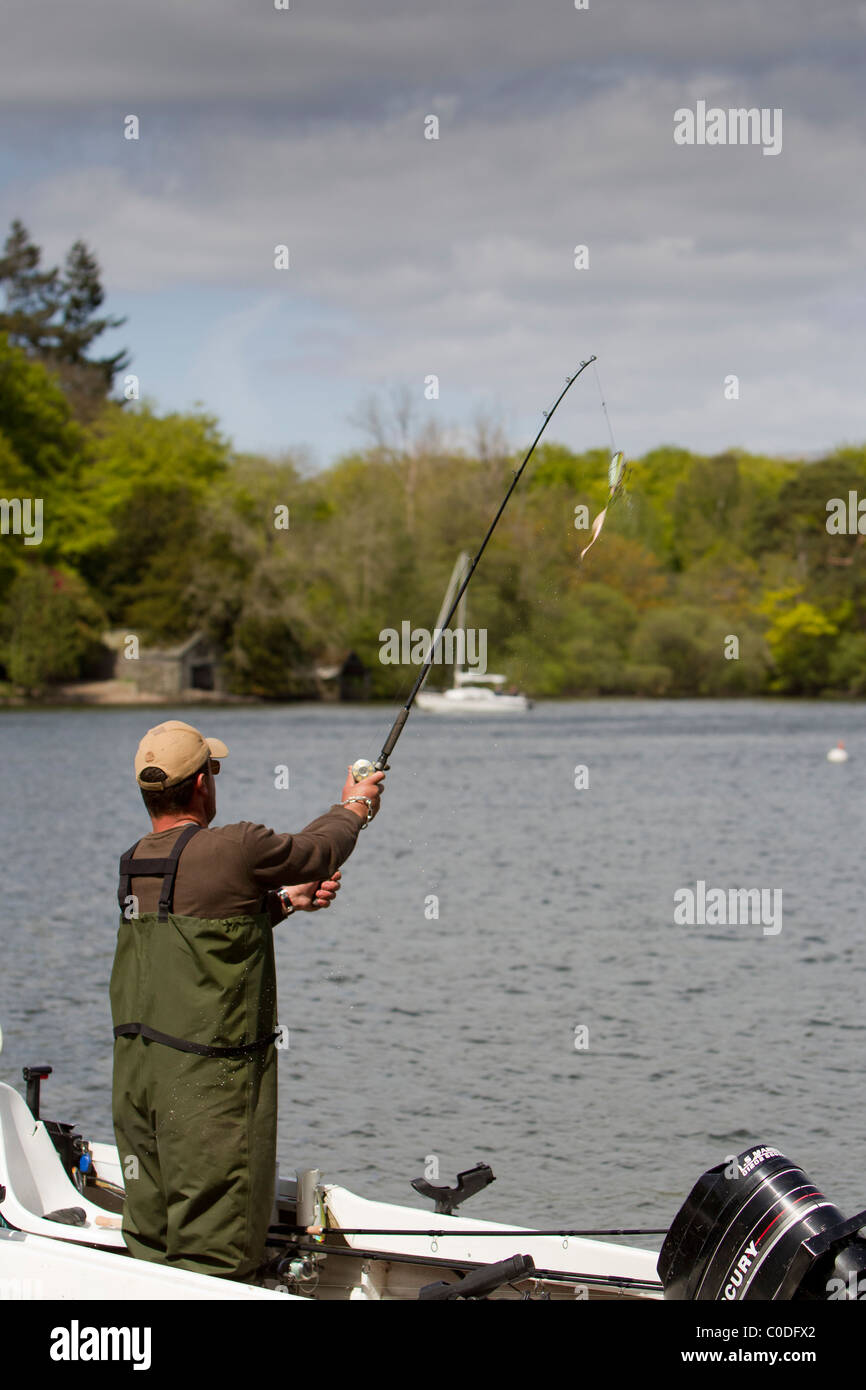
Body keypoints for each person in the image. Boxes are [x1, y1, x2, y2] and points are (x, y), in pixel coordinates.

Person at [110, 718, 384, 1282]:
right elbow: (317, 849)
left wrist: (284, 901)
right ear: (203, 785)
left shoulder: (137, 862)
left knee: (153, 1239)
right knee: (217, 1253)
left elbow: (204, 938)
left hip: (142, 1089)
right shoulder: (235, 845)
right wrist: (356, 806)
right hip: (210, 1096)